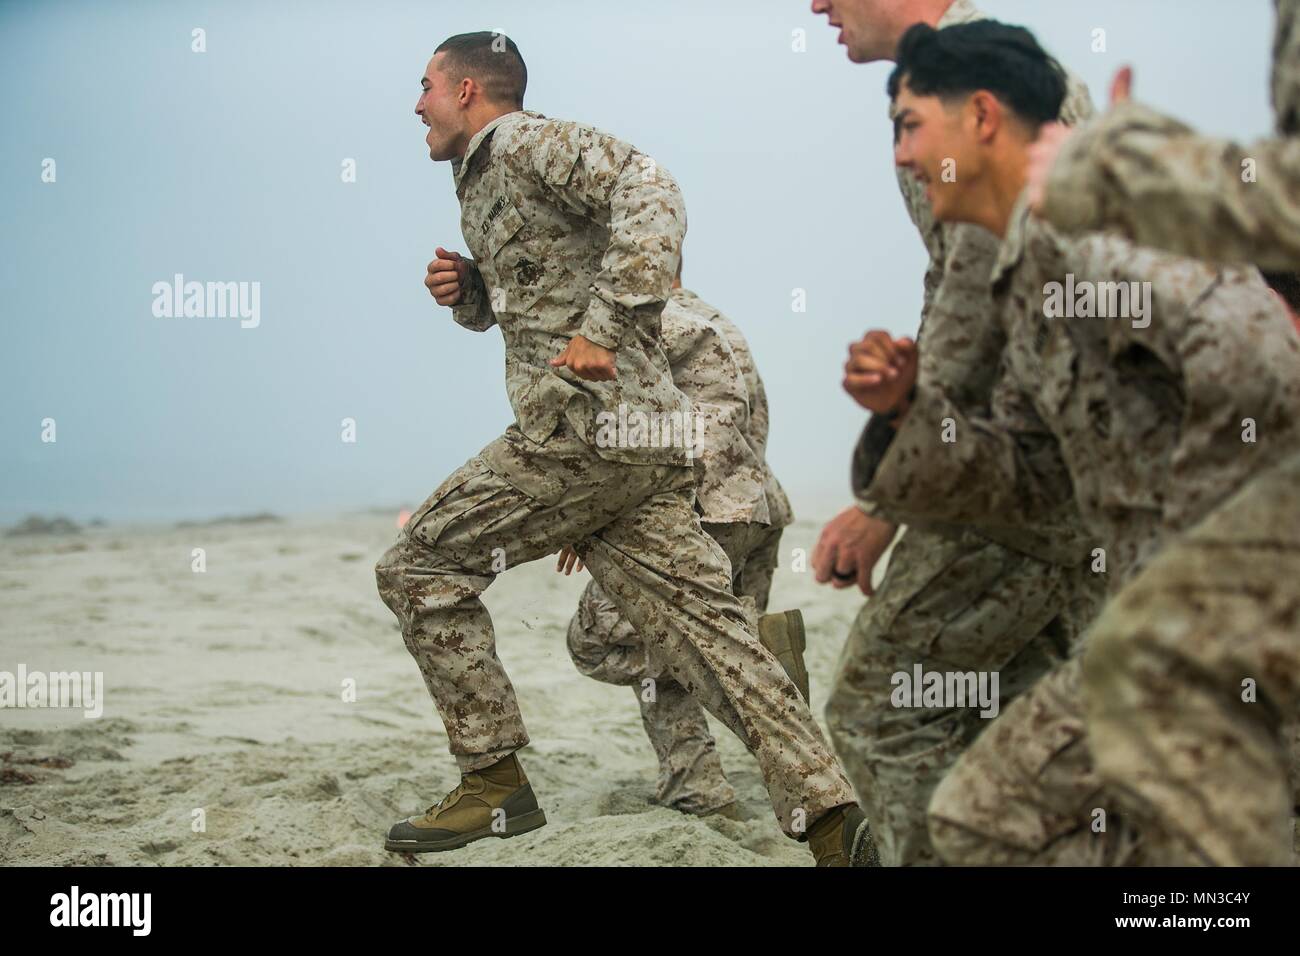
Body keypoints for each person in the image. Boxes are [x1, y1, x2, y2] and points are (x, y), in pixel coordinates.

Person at [375, 31, 868, 865]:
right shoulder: (483, 179)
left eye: (423, 86)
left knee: (417, 568)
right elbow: (545, 287)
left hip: (581, 435)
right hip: (636, 448)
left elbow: (651, 189)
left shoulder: (525, 141)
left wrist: (607, 326)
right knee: (710, 638)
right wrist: (475, 292)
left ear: (466, 90)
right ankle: (833, 821)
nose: (413, 104)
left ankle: (494, 782)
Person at [849, 18, 1300, 864]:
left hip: (1231, 608)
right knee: (984, 820)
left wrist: (1213, 555)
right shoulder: (1025, 273)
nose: (903, 156)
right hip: (1162, 617)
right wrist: (909, 416)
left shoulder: (1089, 241)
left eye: (911, 127)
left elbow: (1247, 339)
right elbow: (1030, 476)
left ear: (982, 117)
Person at [807, 0, 1102, 865]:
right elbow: (960, 298)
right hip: (1037, 472)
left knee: (877, 709)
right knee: (1025, 705)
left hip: (1029, 478)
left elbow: (999, 316)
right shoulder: (943, 92)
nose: (815, 5)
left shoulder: (986, 93)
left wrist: (886, 502)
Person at [560, 260, 802, 820]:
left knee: (594, 641)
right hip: (755, 509)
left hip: (699, 511)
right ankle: (697, 790)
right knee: (669, 640)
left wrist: (592, 512)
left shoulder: (655, 325)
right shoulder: (714, 318)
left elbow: (671, 430)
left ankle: (755, 652)